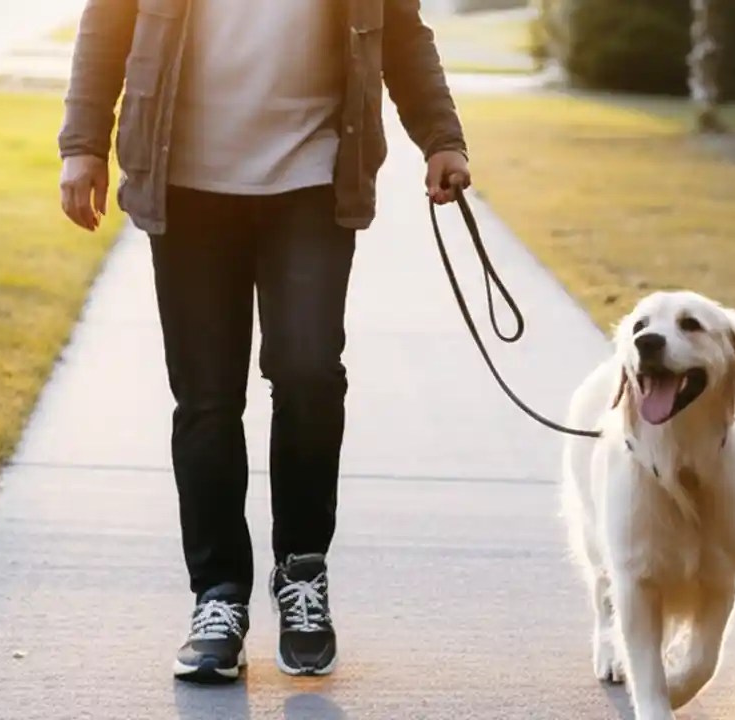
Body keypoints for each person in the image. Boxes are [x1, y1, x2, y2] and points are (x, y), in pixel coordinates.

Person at [56, 0, 470, 683]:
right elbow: (106, 24)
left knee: (308, 373)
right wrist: (82, 145)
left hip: (311, 177)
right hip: (185, 180)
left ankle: (302, 574)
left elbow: (402, 32)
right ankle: (217, 598)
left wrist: (442, 139)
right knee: (206, 399)